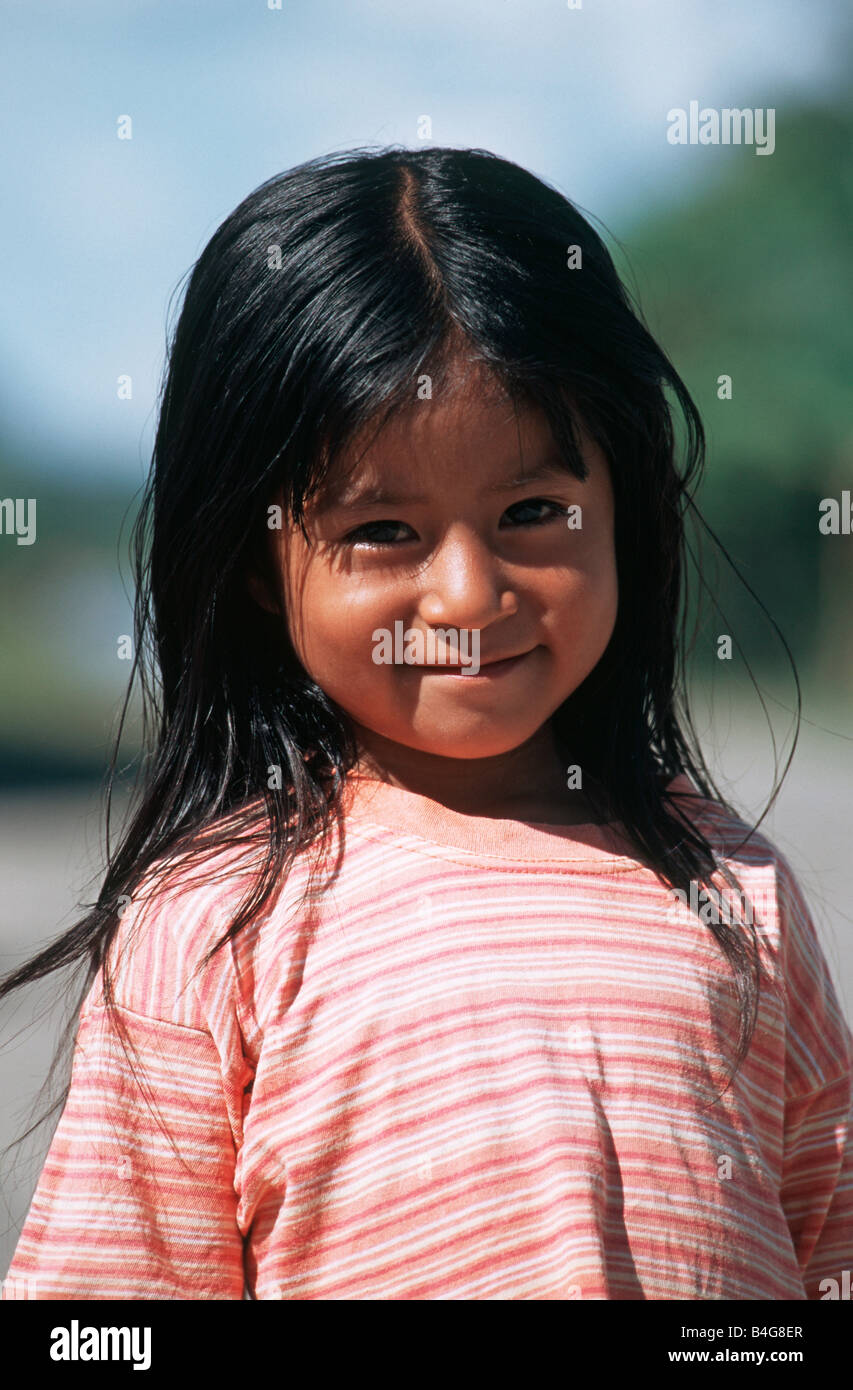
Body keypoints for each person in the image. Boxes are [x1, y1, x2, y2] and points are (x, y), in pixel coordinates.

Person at [2, 146, 850, 1300]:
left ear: (627, 510)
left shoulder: (731, 889)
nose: (466, 595)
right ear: (257, 562)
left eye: (533, 510)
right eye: (383, 530)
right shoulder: (209, 927)